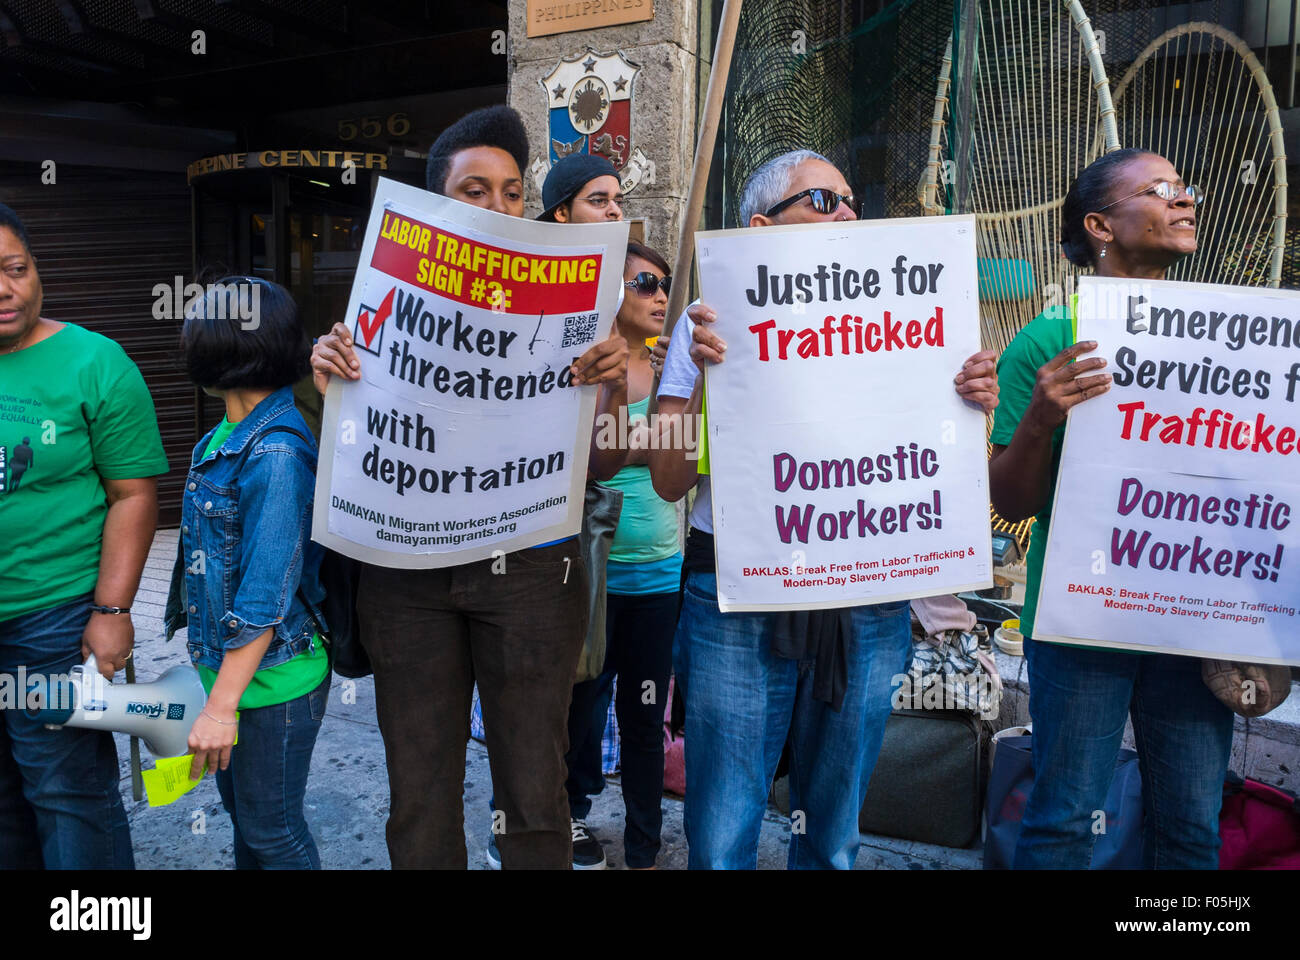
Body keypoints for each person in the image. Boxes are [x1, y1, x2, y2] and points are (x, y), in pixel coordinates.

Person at [650, 149, 1000, 869]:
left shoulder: (909, 317)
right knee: (722, 827)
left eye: (848, 199)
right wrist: (704, 386)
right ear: (759, 226)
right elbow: (665, 476)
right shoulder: (704, 323)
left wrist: (968, 406)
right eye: (822, 200)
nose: (846, 212)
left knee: (835, 828)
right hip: (736, 596)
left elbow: (937, 458)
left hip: (867, 598)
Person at [309, 106, 631, 869]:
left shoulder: (577, 307)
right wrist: (330, 382)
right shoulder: (378, 306)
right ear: (434, 205)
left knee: (534, 790)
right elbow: (350, 452)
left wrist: (611, 388)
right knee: (418, 790)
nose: (499, 209)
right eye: (475, 191)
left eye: (513, 193)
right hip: (405, 579)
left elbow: (604, 464)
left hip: (530, 574)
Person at [988, 148, 1228, 869]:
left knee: (1191, 828)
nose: (1184, 201)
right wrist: (1037, 421)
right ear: (1100, 224)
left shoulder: (1229, 337)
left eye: (1186, 188)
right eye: (1161, 191)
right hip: (1083, 622)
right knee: (1063, 819)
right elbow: (1007, 499)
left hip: (1194, 621)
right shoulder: (1047, 342)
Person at [0, 202, 168, 869]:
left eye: (16, 267)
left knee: (66, 790)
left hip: (55, 616)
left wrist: (112, 610)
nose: (5, 288)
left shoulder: (95, 362)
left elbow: (134, 494)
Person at [164, 276, 330, 869]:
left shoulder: (277, 452)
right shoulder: (224, 437)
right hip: (233, 678)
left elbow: (265, 593)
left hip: (273, 683)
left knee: (273, 834)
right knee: (249, 830)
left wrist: (219, 707)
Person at [564, 241, 679, 870]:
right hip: (590, 574)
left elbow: (685, 459)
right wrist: (650, 441)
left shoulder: (674, 372)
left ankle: (643, 844)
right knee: (579, 711)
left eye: (664, 284)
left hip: (659, 576)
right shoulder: (585, 366)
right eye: (644, 282)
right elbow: (584, 460)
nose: (661, 295)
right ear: (613, 291)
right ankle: (571, 818)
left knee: (643, 717)